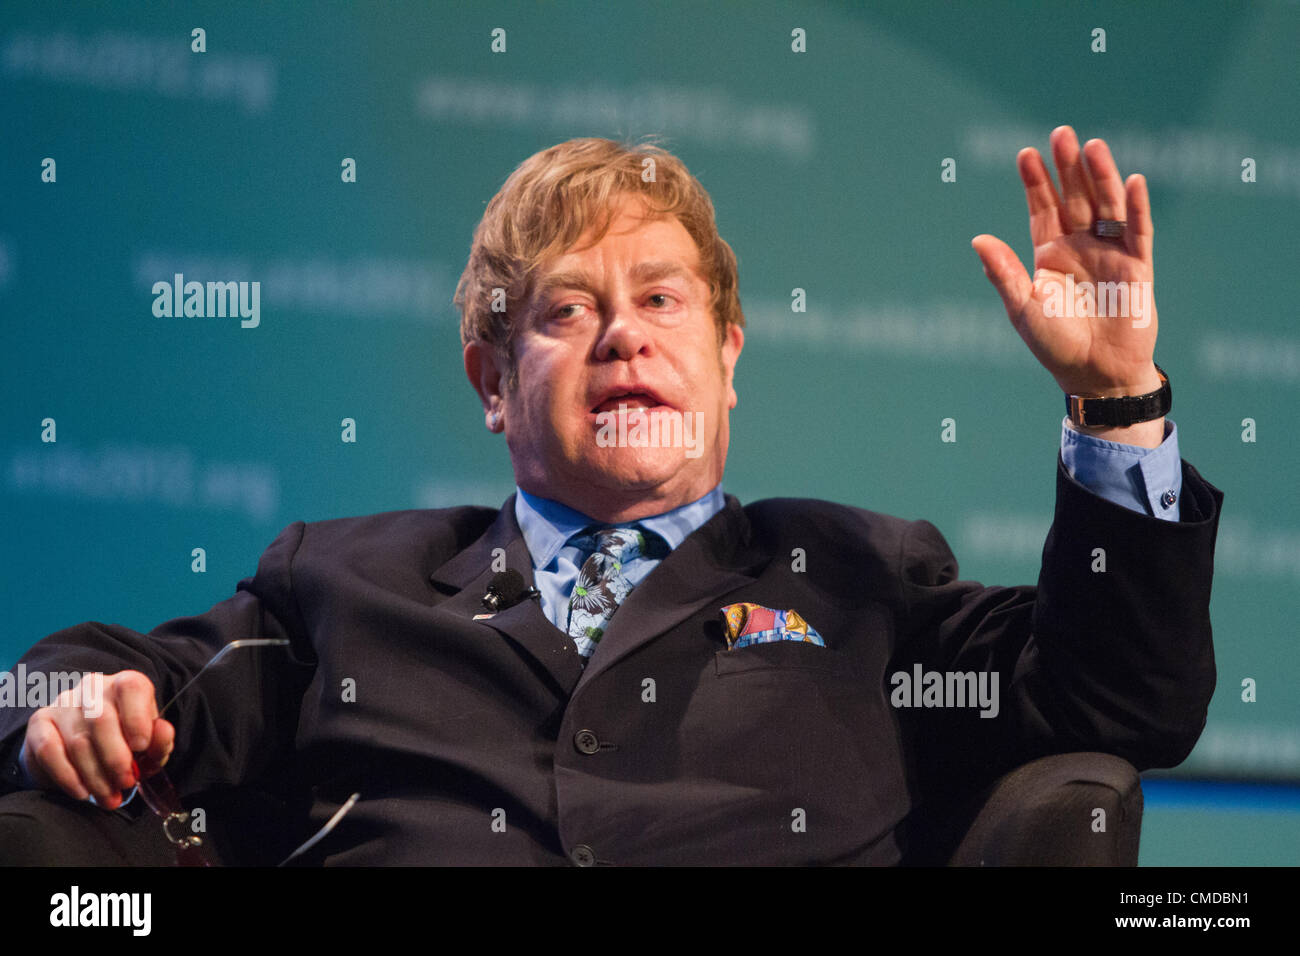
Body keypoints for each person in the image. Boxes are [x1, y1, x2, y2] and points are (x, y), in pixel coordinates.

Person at [0, 129, 1222, 865]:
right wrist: (81, 703)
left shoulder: (860, 580)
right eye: (569, 309)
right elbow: (67, 673)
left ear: (729, 355)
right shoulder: (345, 584)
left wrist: (1115, 402)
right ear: (491, 381)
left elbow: (1125, 695)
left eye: (662, 300)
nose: (622, 338)